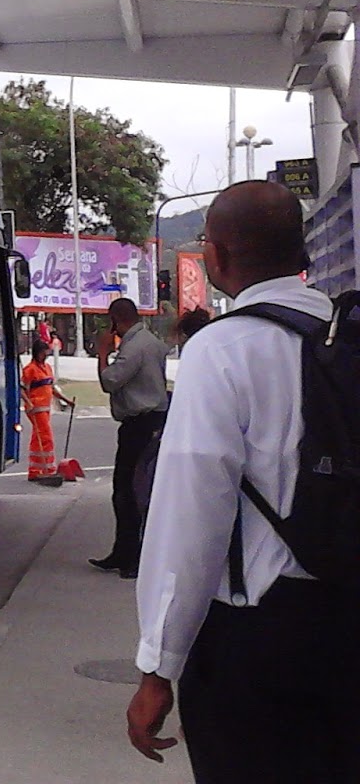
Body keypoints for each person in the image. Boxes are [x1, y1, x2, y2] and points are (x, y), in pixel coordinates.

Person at [126, 180, 358, 781]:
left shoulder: (221, 349)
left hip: (257, 635)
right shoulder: (347, 335)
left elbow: (190, 515)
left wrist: (159, 666)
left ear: (219, 256)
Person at [90, 295, 169, 578]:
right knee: (133, 489)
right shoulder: (150, 341)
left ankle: (131, 557)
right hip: (150, 421)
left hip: (140, 423)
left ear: (116, 320)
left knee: (127, 491)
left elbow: (110, 381)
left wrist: (101, 353)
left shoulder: (135, 347)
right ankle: (123, 550)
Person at [21, 339, 73, 484]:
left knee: (39, 437)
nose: (46, 355)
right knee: (45, 438)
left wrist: (66, 400)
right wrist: (29, 402)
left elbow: (51, 388)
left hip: (45, 408)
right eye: (44, 353)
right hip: (35, 408)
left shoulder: (47, 368)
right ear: (37, 353)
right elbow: (22, 389)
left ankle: (38, 470)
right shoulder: (30, 369)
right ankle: (46, 470)